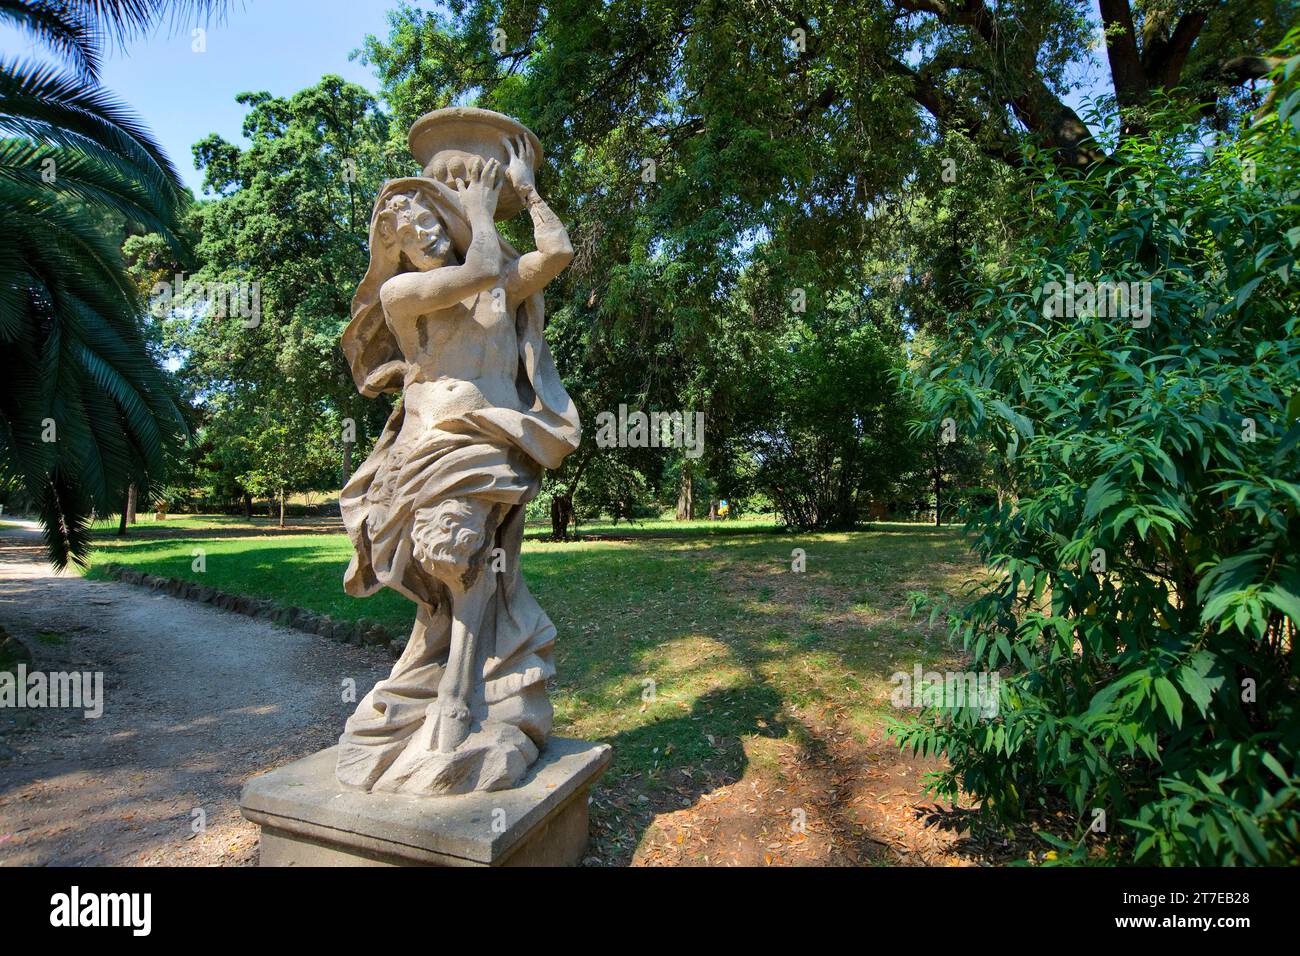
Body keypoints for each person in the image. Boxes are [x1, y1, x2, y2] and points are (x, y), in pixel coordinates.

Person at [335, 133, 579, 794]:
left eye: (428, 220)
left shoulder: (501, 284)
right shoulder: (405, 293)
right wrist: (479, 206)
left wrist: (524, 190)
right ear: (398, 250)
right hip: (431, 440)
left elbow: (555, 252)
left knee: (462, 560)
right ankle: (449, 692)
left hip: (487, 440)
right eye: (410, 232)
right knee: (450, 573)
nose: (424, 235)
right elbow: (473, 273)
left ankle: (458, 697)